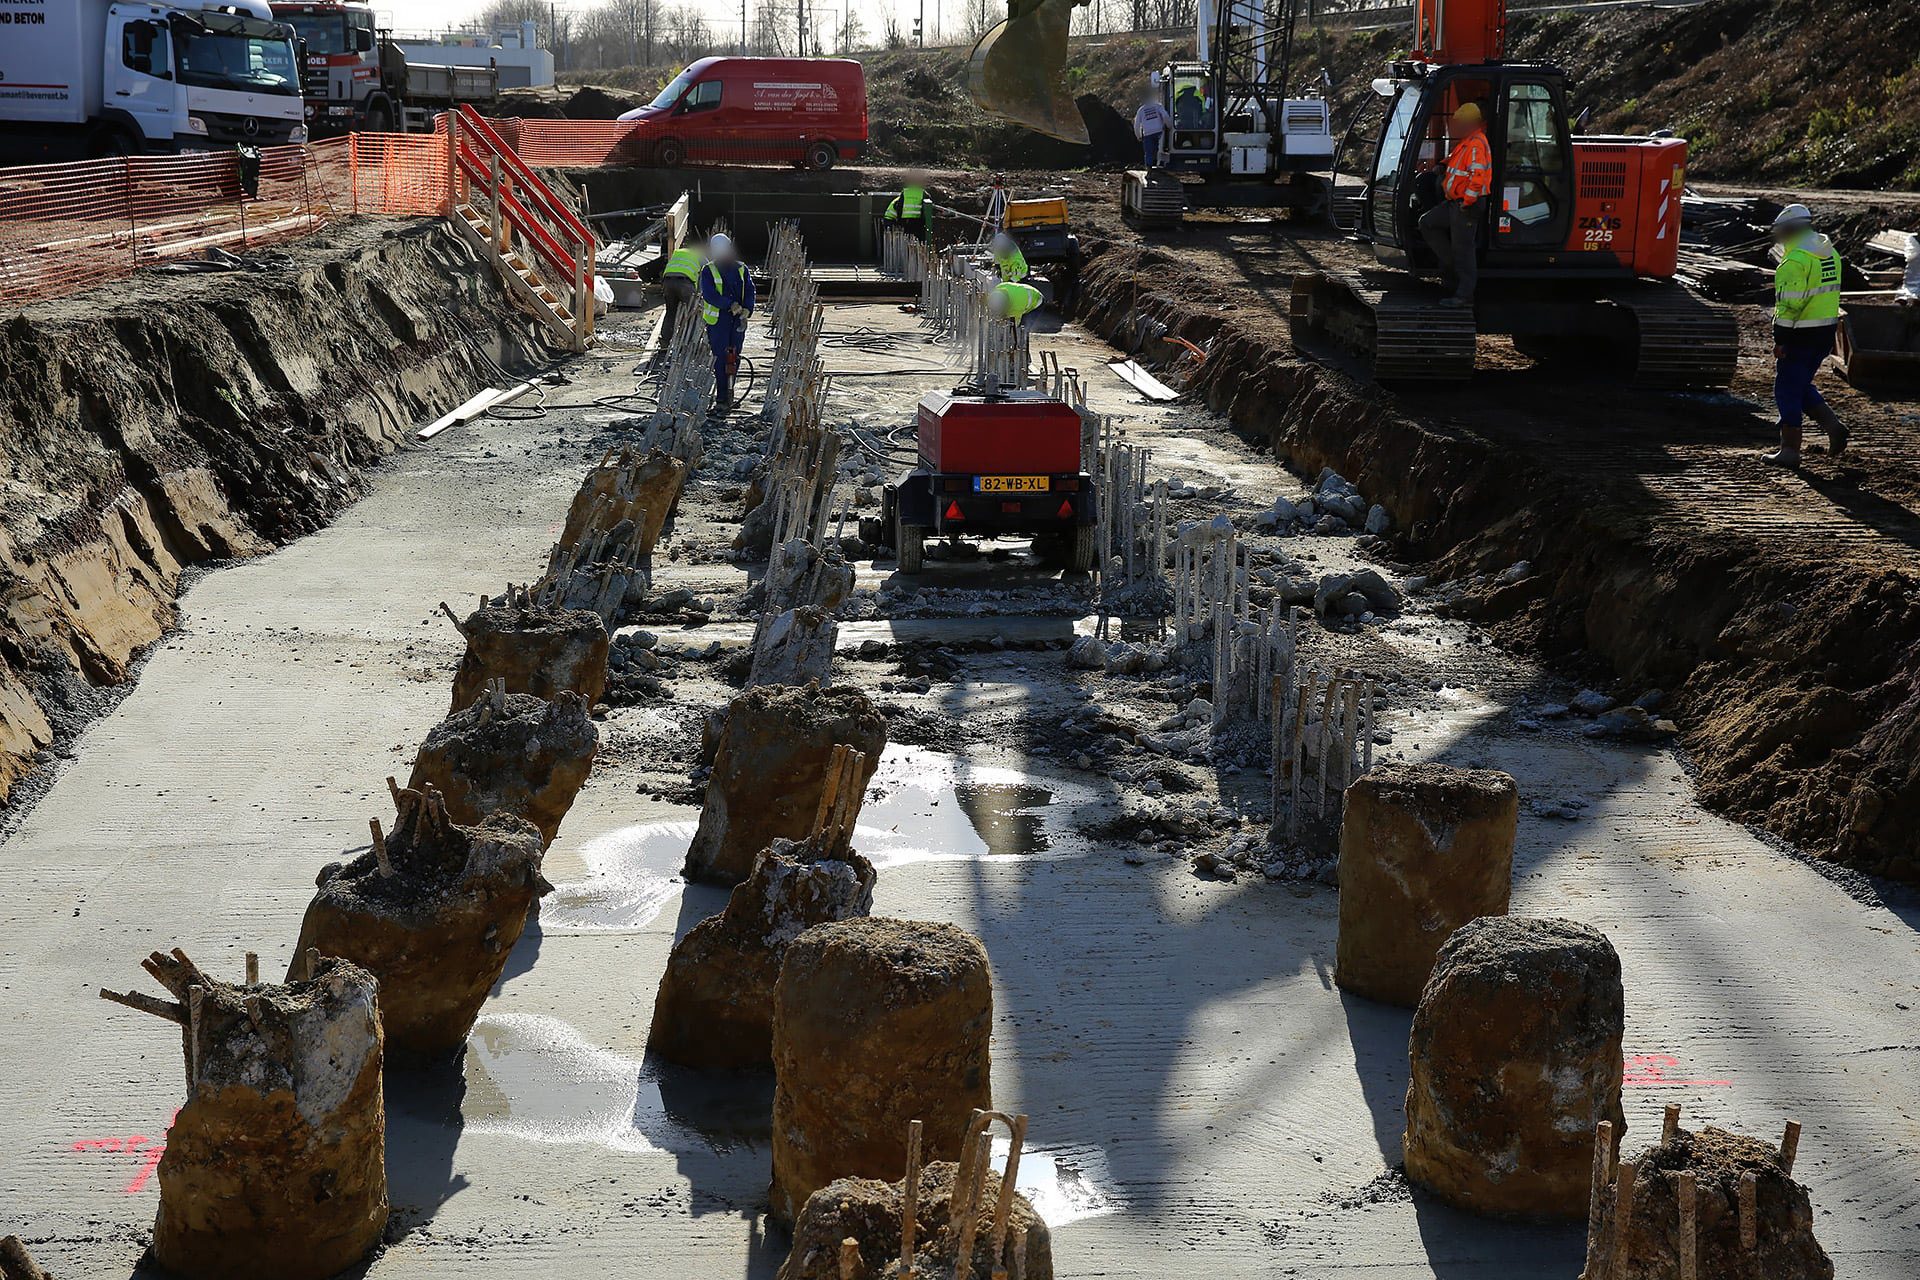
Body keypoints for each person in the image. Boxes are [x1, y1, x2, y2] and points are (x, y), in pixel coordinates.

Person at [1765, 203, 1848, 466]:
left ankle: (1790, 450)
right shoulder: (1829, 253)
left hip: (1800, 333)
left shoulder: (1794, 261)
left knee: (1786, 388)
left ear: (1789, 230)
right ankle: (1833, 427)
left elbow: (1789, 305)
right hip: (1825, 332)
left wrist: (1781, 339)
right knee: (1799, 383)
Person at [1419, 102, 1492, 308]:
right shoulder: (1467, 142)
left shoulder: (1477, 143)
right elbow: (1457, 158)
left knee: (1464, 249)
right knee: (1427, 223)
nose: (1457, 126)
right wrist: (1442, 165)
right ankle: (1450, 268)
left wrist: (1467, 202)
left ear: (1472, 122)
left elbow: (1477, 178)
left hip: (1466, 205)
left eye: (1461, 122)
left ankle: (1464, 295)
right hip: (1455, 202)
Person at [698, 232, 755, 412]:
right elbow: (710, 295)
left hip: (737, 320)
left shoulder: (741, 269)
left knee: (734, 357)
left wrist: (747, 308)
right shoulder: (708, 270)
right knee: (721, 358)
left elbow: (750, 290)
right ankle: (722, 397)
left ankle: (730, 393)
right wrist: (729, 304)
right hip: (718, 322)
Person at [658, 238, 705, 346]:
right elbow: (706, 275)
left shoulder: (678, 253)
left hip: (667, 282)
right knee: (692, 313)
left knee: (671, 312)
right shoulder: (700, 256)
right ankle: (688, 342)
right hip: (685, 283)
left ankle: (665, 341)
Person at [884, 171, 933, 242]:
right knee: (916, 240)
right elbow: (927, 207)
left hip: (905, 221)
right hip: (916, 221)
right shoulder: (923, 193)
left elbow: (899, 207)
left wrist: (900, 221)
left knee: (906, 239)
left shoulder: (905, 192)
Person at [1134, 88, 1172, 168]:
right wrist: (1169, 126)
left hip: (1147, 132)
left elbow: (1137, 124)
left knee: (1148, 151)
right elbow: (1165, 116)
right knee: (1156, 148)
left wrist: (1138, 135)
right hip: (1158, 131)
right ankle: (1155, 163)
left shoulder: (1141, 110)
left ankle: (1149, 166)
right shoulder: (1158, 106)